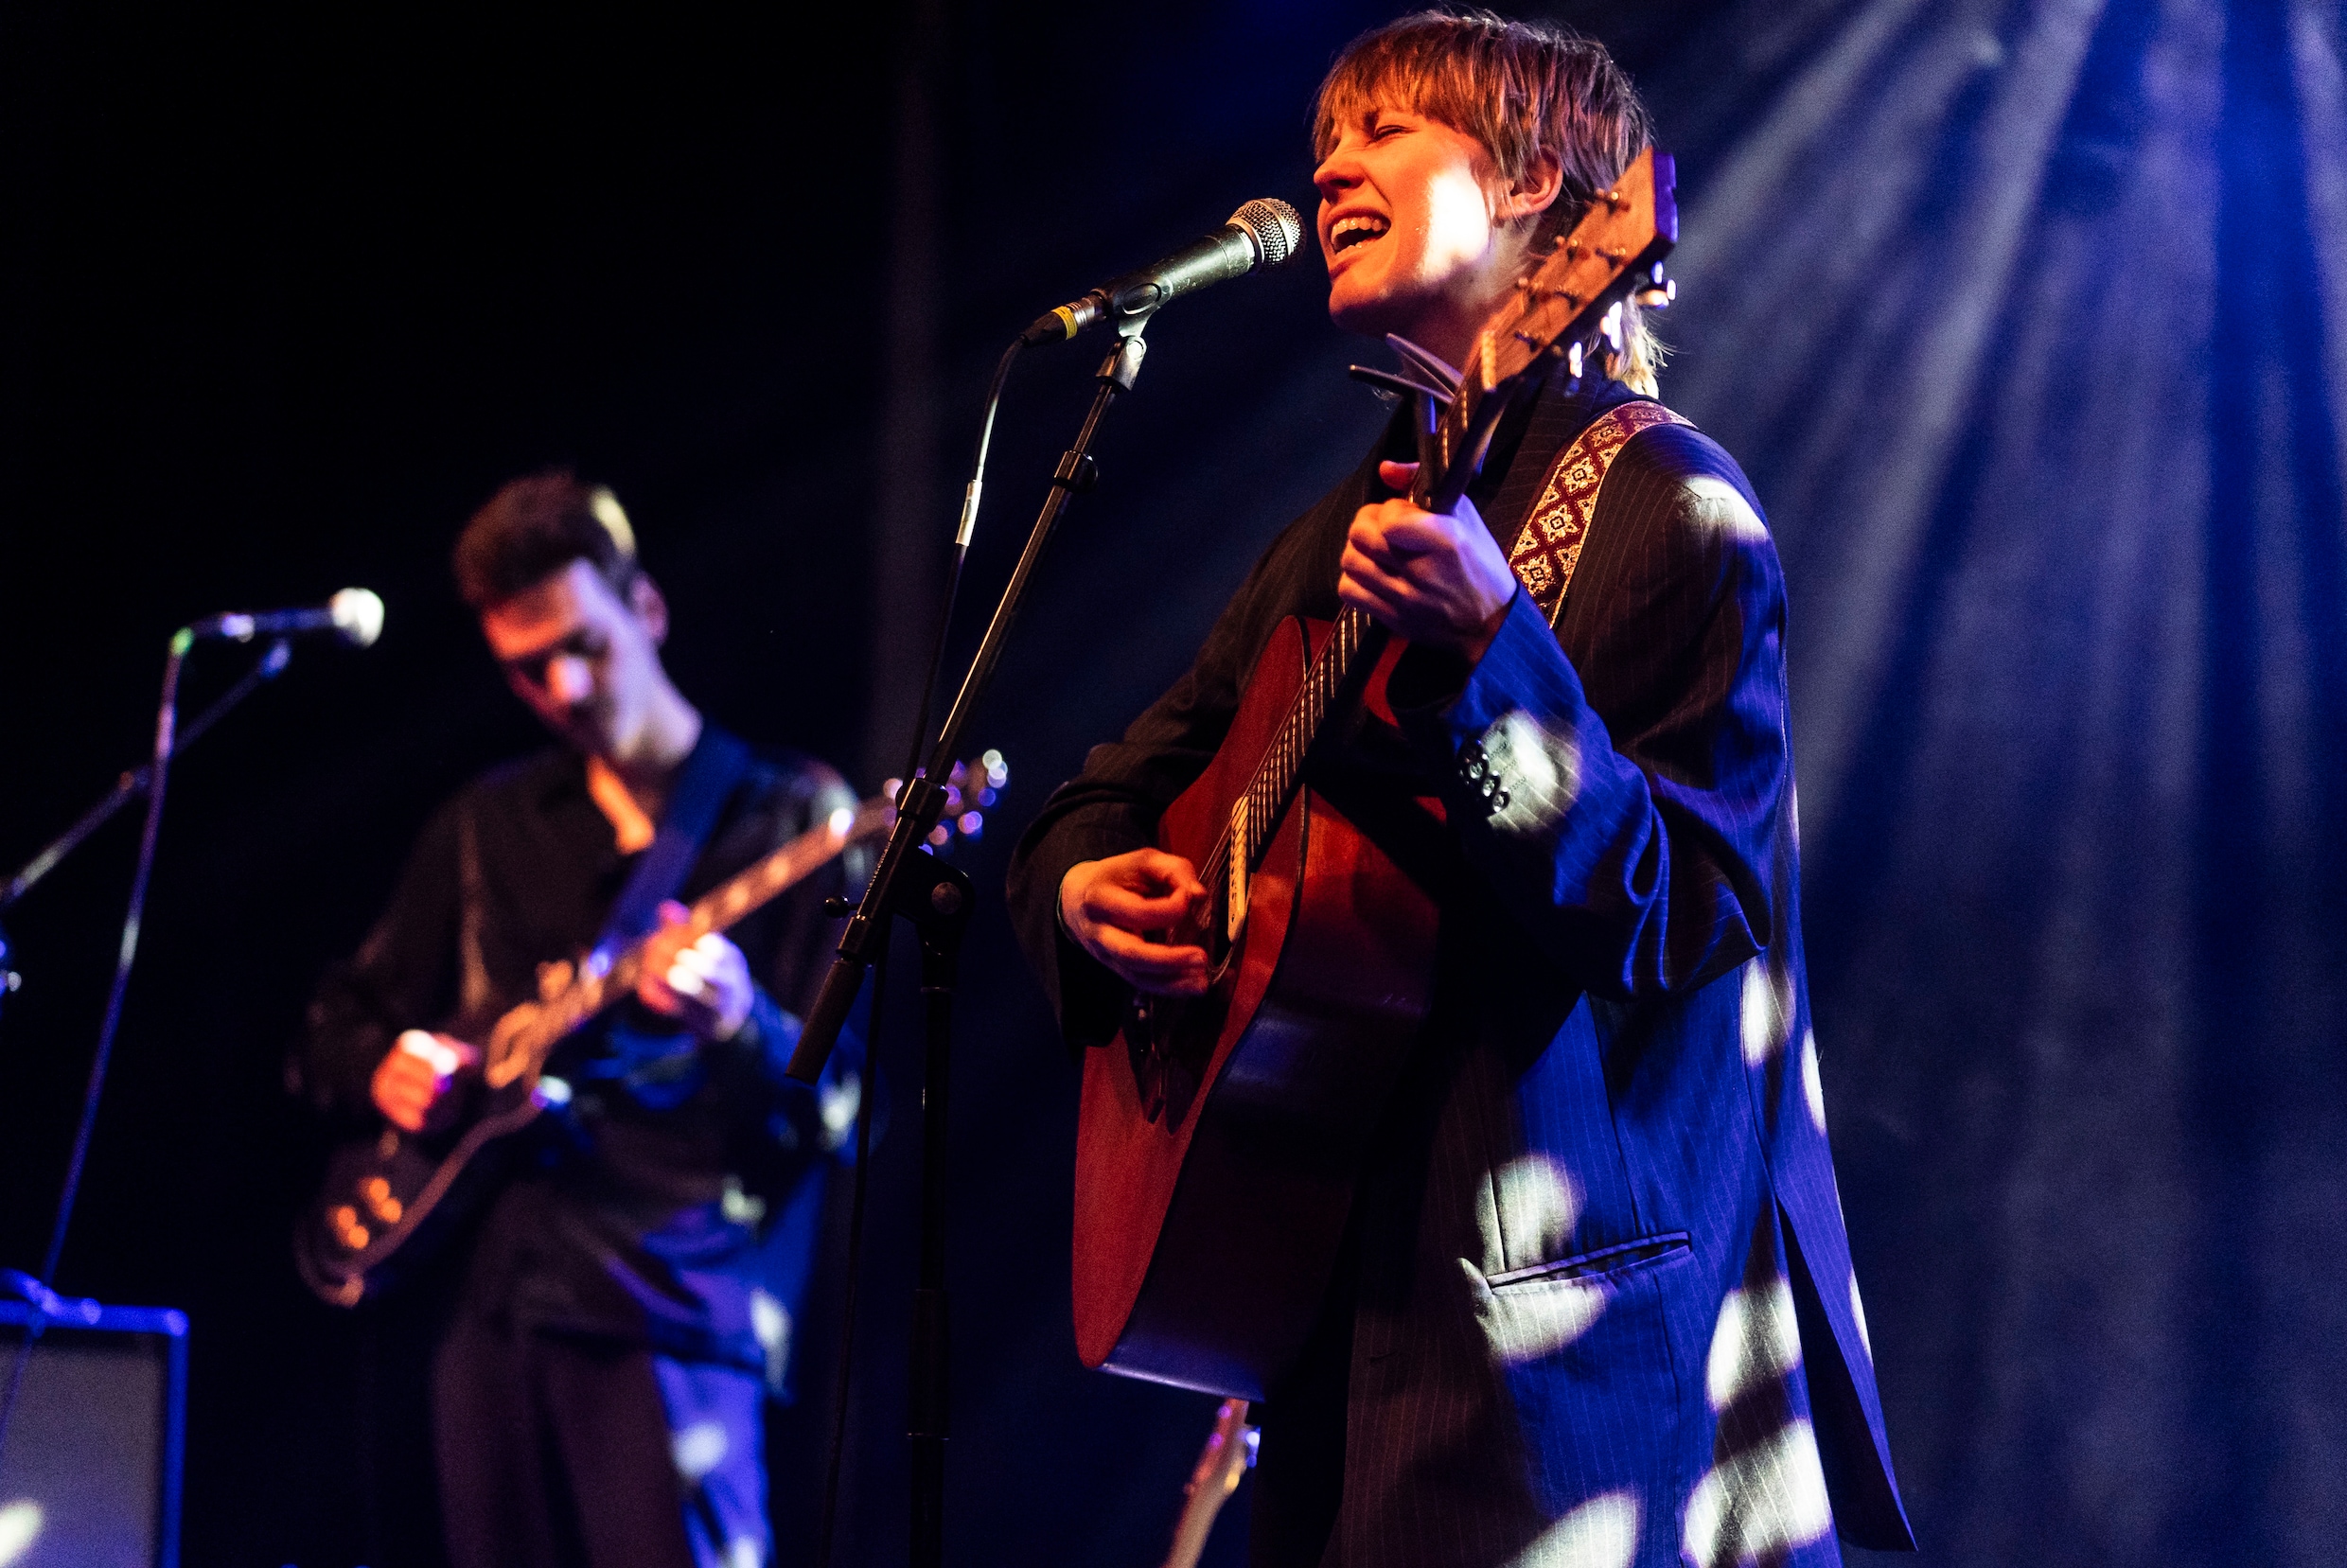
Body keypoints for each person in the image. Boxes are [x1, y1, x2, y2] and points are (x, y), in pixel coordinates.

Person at [1005, 13, 1914, 1567]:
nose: (1328, 166)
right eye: (1323, 143)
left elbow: (1691, 913)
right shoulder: (1334, 538)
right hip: (1331, 1343)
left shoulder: (1666, 504)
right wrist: (1086, 890)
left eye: (1384, 134)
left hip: (1569, 1381)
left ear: (1535, 187)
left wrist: (1500, 651)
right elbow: (1111, 791)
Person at [298, 472, 863, 1568]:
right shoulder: (486, 827)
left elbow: (850, 1104)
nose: (563, 683)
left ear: (644, 610)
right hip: (491, 1311)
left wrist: (741, 1023)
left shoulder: (794, 817)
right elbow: (331, 1022)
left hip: (670, 1314)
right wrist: (385, 1069)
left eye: (584, 644)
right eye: (525, 667)